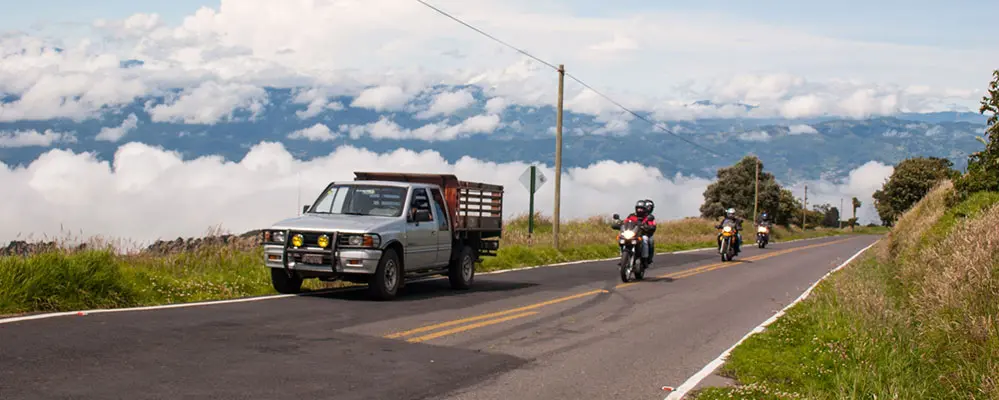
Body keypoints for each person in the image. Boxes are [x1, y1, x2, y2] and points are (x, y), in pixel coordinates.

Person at [621, 199, 657, 265]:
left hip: (642, 234)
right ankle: (623, 257)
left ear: (644, 209)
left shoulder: (648, 217)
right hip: (633, 234)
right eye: (638, 208)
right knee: (621, 238)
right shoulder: (632, 215)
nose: (639, 210)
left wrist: (648, 227)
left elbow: (652, 225)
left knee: (645, 239)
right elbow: (625, 222)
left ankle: (644, 259)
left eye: (641, 209)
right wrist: (619, 224)